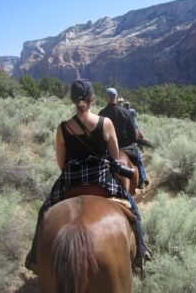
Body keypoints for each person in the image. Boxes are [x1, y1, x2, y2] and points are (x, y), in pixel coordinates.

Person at [25, 79, 149, 273]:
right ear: (93, 99)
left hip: (71, 181)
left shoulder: (63, 128)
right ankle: (141, 251)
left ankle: (34, 258)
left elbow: (61, 164)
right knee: (133, 208)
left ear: (73, 100)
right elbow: (115, 157)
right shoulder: (105, 123)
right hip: (101, 180)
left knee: (43, 212)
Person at [99, 88, 150, 189]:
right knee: (138, 156)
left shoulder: (102, 113)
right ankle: (142, 179)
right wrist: (132, 142)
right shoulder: (125, 112)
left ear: (107, 98)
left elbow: (99, 133)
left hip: (108, 149)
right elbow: (132, 131)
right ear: (116, 98)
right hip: (125, 146)